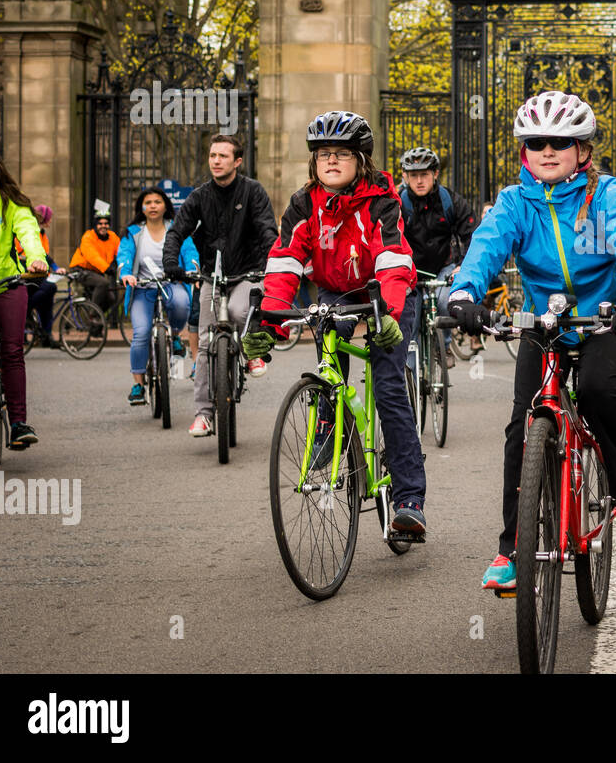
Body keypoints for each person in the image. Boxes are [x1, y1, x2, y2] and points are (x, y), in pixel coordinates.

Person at [447, 90, 616, 591]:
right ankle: (510, 551)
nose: (548, 150)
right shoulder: (514, 202)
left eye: (561, 142)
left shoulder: (605, 195)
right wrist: (463, 295)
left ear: (583, 150)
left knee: (596, 390)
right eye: (537, 141)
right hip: (543, 326)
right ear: (525, 150)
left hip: (605, 322)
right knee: (522, 428)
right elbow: (486, 247)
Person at [243, 111, 427, 535]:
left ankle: (410, 499)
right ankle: (327, 430)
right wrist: (270, 324)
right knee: (330, 365)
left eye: (342, 153)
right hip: (337, 293)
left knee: (387, 385)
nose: (331, 161)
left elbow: (393, 259)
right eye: (324, 154)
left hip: (387, 293)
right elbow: (286, 261)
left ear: (360, 160)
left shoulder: (383, 200)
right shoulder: (304, 204)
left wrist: (391, 316)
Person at [163, 134, 278, 437]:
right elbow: (176, 231)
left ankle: (250, 353)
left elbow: (268, 229)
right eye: (213, 155)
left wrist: (271, 263)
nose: (216, 161)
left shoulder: (253, 191)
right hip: (211, 277)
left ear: (237, 161)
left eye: (223, 156)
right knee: (203, 343)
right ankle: (203, 414)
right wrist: (170, 263)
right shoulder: (200, 196)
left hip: (248, 273)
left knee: (241, 311)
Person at [0, 148, 49, 447]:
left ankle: (18, 423)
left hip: (8, 283)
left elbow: (29, 233)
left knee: (11, 351)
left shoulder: (13, 206)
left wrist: (36, 259)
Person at [118, 187, 199, 405]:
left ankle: (174, 336)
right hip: (142, 288)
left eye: (157, 202)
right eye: (148, 202)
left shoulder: (177, 228)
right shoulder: (133, 232)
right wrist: (125, 274)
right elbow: (124, 255)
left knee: (182, 304)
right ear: (141, 208)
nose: (153, 206)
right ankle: (138, 384)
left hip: (171, 284)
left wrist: (192, 267)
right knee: (141, 333)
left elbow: (190, 251)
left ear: (165, 206)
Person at [397, 146, 477, 363]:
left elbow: (471, 234)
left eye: (424, 174)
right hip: (410, 270)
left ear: (435, 174)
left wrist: (463, 264)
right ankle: (411, 383)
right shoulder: (398, 204)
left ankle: (444, 346)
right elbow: (388, 238)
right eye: (414, 175)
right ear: (405, 176)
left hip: (444, 266)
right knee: (409, 322)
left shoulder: (449, 200)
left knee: (444, 302)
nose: (419, 180)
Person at [69, 206, 120, 316]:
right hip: (80, 269)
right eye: (100, 223)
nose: (103, 226)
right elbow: (92, 256)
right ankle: (92, 315)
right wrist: (107, 268)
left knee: (111, 299)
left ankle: (96, 324)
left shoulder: (113, 237)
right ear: (95, 225)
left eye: (106, 223)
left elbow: (120, 253)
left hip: (96, 272)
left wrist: (119, 265)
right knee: (103, 283)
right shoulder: (88, 237)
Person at [23, 205, 61, 348]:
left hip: (38, 273)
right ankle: (26, 308)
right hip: (27, 273)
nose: (50, 221)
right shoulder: (32, 231)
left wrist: (55, 267)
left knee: (48, 300)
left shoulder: (43, 234)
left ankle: (47, 335)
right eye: (49, 218)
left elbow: (44, 254)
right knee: (50, 287)